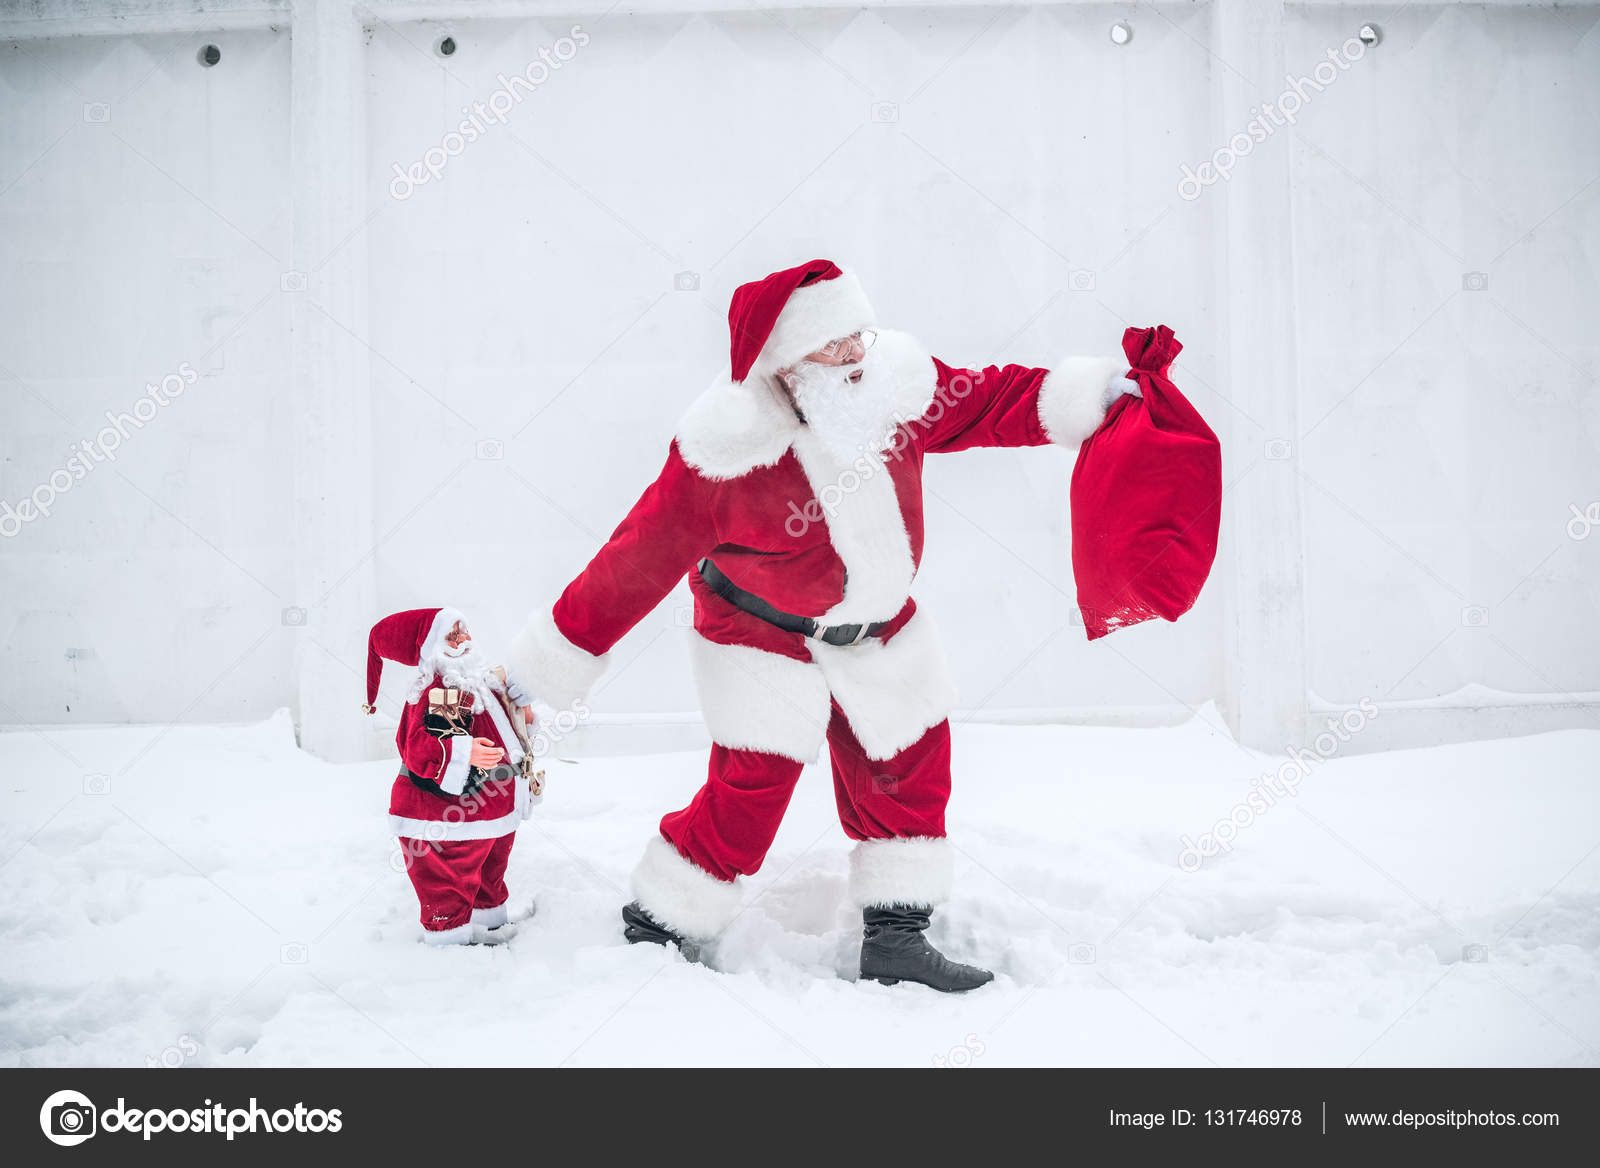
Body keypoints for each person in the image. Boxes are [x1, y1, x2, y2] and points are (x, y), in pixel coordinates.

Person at [506, 259, 1133, 990]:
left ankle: (897, 937)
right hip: (761, 635)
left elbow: (991, 400)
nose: (854, 358)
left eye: (857, 337)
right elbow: (631, 564)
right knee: (753, 787)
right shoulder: (723, 453)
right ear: (782, 360)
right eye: (832, 347)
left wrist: (1096, 397)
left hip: (874, 629)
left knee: (909, 766)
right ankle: (662, 922)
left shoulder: (895, 388)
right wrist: (544, 668)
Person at [364, 607, 541, 945]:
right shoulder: (440, 687)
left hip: (488, 813)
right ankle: (450, 945)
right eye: (452, 635)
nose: (463, 640)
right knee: (449, 877)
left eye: (464, 632)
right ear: (432, 647)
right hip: (450, 819)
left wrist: (522, 715)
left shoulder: (476, 680)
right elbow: (418, 746)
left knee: (489, 871)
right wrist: (464, 752)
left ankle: (487, 921)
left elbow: (494, 723)